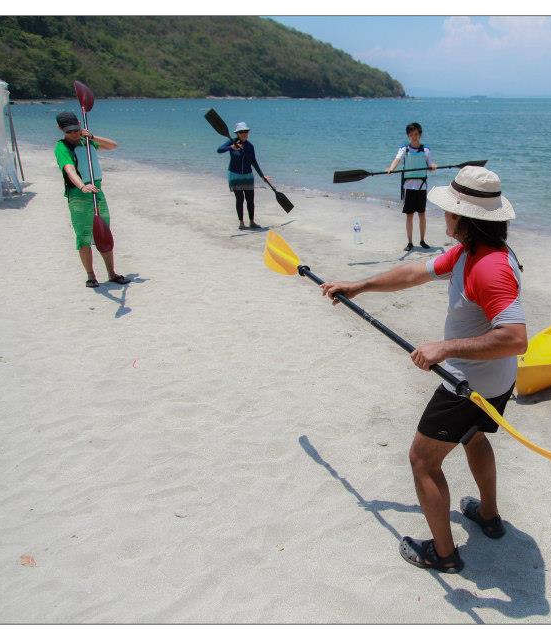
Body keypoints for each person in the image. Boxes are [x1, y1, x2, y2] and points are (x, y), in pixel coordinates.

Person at [320, 167, 526, 573]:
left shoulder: (489, 267)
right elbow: (416, 271)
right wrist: (359, 285)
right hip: (498, 379)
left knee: (422, 460)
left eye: (449, 210)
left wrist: (444, 347)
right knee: (473, 435)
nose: (443, 216)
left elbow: (516, 337)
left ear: (463, 218)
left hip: (467, 383)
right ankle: (488, 516)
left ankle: (444, 555)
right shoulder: (472, 250)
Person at [53, 111, 131, 288]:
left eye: (76, 129)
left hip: (97, 192)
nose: (74, 134)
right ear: (60, 129)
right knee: (84, 237)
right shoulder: (62, 147)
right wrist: (82, 186)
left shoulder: (86, 141)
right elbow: (69, 169)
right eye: (69, 131)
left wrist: (93, 136)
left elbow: (113, 145)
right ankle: (91, 276)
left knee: (104, 233)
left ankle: (111, 273)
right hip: (79, 196)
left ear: (79, 124)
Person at [386, 122, 437, 252]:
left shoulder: (426, 150)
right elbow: (397, 160)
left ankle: (422, 240)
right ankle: (410, 242)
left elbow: (431, 164)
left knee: (422, 214)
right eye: (411, 134)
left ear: (420, 134)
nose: (414, 137)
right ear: (408, 136)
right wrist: (391, 168)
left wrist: (432, 167)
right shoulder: (404, 149)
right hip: (409, 187)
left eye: (416, 134)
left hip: (421, 187)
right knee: (409, 215)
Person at [217, 122, 273, 230]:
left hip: (248, 175)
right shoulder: (231, 142)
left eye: (246, 131)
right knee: (240, 199)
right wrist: (231, 147)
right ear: (237, 133)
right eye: (241, 132)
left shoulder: (250, 146)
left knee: (250, 199)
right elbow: (219, 150)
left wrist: (262, 176)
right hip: (235, 175)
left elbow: (254, 162)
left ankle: (252, 222)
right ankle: (241, 222)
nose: (244, 134)